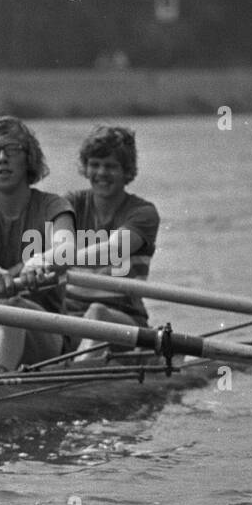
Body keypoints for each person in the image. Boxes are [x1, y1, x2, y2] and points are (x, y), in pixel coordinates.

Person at [0, 116, 75, 373]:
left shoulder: (53, 206)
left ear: (28, 158)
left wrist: (42, 260)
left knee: (12, 307)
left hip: (46, 330)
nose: (2, 158)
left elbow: (66, 249)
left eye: (12, 149)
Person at [59, 125, 160, 361]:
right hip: (69, 317)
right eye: (95, 164)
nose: (101, 172)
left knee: (97, 313)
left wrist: (55, 260)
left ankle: (77, 376)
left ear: (127, 171)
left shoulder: (143, 212)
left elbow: (113, 251)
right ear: (85, 167)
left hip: (124, 321)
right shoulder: (70, 204)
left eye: (111, 166)